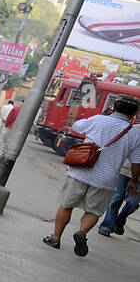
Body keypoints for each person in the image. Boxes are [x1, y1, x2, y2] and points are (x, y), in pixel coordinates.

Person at [44, 96, 140, 256]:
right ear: (134, 114)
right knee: (93, 211)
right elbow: (137, 162)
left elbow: (76, 126)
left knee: (66, 205)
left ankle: (56, 238)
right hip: (106, 179)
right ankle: (82, 232)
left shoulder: (98, 120)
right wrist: (134, 180)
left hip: (80, 171)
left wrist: (104, 115)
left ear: (114, 107)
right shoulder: (135, 134)